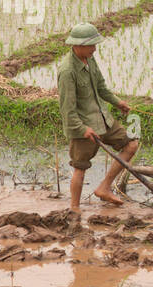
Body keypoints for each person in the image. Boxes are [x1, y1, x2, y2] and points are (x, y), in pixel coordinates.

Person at [57, 23, 138, 211]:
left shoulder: (89, 59)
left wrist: (118, 102)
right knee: (80, 167)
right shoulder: (67, 71)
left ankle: (104, 187)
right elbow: (67, 110)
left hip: (103, 119)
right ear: (78, 45)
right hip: (83, 126)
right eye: (91, 45)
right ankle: (74, 209)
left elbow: (101, 87)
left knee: (131, 144)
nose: (95, 49)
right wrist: (82, 129)